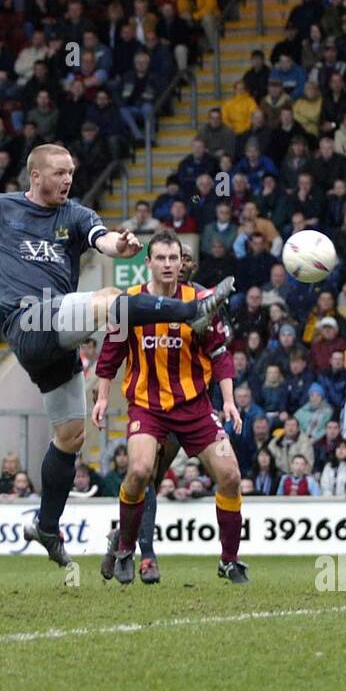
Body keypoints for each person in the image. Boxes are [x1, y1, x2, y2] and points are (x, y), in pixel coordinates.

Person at [0, 144, 232, 574]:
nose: (68, 180)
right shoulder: (0, 209)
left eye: (72, 172)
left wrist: (122, 243)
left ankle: (46, 527)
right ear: (36, 175)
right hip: (28, 319)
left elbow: (104, 241)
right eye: (60, 173)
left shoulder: (75, 216)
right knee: (110, 300)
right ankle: (191, 311)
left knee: (70, 437)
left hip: (56, 337)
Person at [92, 230, 245, 584]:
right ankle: (127, 550)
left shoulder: (202, 300)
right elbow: (110, 354)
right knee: (140, 471)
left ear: (181, 263)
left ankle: (229, 560)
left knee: (231, 476)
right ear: (147, 263)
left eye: (173, 258)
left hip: (194, 407)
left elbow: (220, 354)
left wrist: (229, 402)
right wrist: (101, 397)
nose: (167, 264)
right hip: (148, 407)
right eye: (160, 258)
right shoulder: (128, 303)